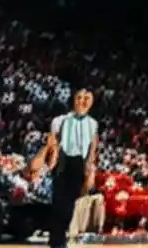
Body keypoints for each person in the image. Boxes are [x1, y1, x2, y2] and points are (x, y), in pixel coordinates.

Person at [30, 88, 98, 248]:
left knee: (69, 208)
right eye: (80, 97)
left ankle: (59, 239)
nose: (83, 101)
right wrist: (46, 168)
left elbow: (92, 149)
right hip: (63, 162)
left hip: (79, 165)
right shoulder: (60, 120)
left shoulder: (93, 124)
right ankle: (57, 241)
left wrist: (90, 171)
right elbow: (52, 146)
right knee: (60, 205)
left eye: (87, 98)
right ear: (73, 100)